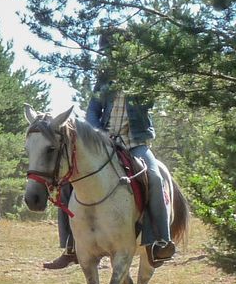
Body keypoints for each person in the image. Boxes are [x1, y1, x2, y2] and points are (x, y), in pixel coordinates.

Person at [41, 50, 175, 269]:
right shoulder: (104, 78)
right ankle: (70, 246)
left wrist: (143, 77)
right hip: (107, 144)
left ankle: (160, 241)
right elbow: (93, 111)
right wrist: (99, 134)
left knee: (155, 177)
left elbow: (150, 100)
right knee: (68, 180)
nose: (113, 56)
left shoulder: (143, 75)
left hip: (136, 145)